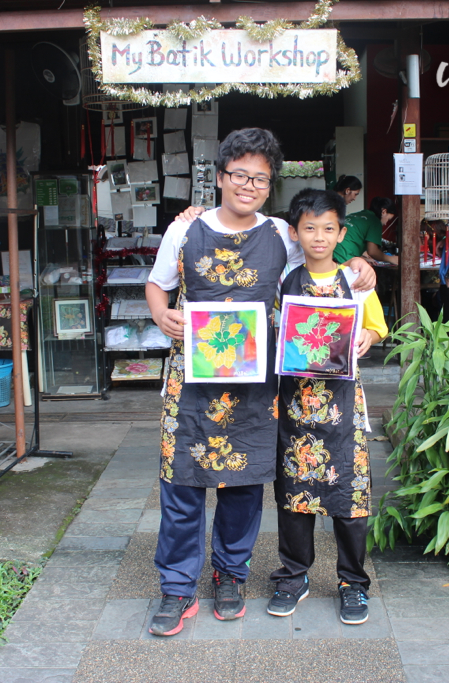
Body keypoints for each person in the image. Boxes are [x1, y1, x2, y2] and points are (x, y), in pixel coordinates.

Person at [144, 128, 377, 638]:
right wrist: (162, 314)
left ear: (270, 186)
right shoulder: (183, 231)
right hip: (191, 384)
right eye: (240, 175)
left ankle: (231, 575)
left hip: (254, 387)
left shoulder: (280, 234)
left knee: (244, 486)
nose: (248, 185)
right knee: (182, 485)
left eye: (260, 178)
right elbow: (158, 285)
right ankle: (177, 587)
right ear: (221, 177)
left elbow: (324, 261)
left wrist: (359, 265)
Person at [267, 189, 388, 625]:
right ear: (295, 232)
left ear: (342, 232)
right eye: (309, 228)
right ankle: (294, 575)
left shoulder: (355, 280)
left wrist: (367, 338)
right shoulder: (284, 280)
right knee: (294, 494)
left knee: (349, 495)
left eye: (328, 228)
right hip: (295, 406)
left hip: (342, 408)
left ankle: (352, 583)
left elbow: (376, 328)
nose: (319, 237)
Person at [333, 197, 399, 266]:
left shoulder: (354, 215)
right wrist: (391, 259)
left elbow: (349, 241)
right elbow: (373, 252)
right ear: (384, 212)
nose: (386, 223)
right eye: (388, 219)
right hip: (342, 260)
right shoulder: (375, 221)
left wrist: (363, 258)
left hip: (329, 257)